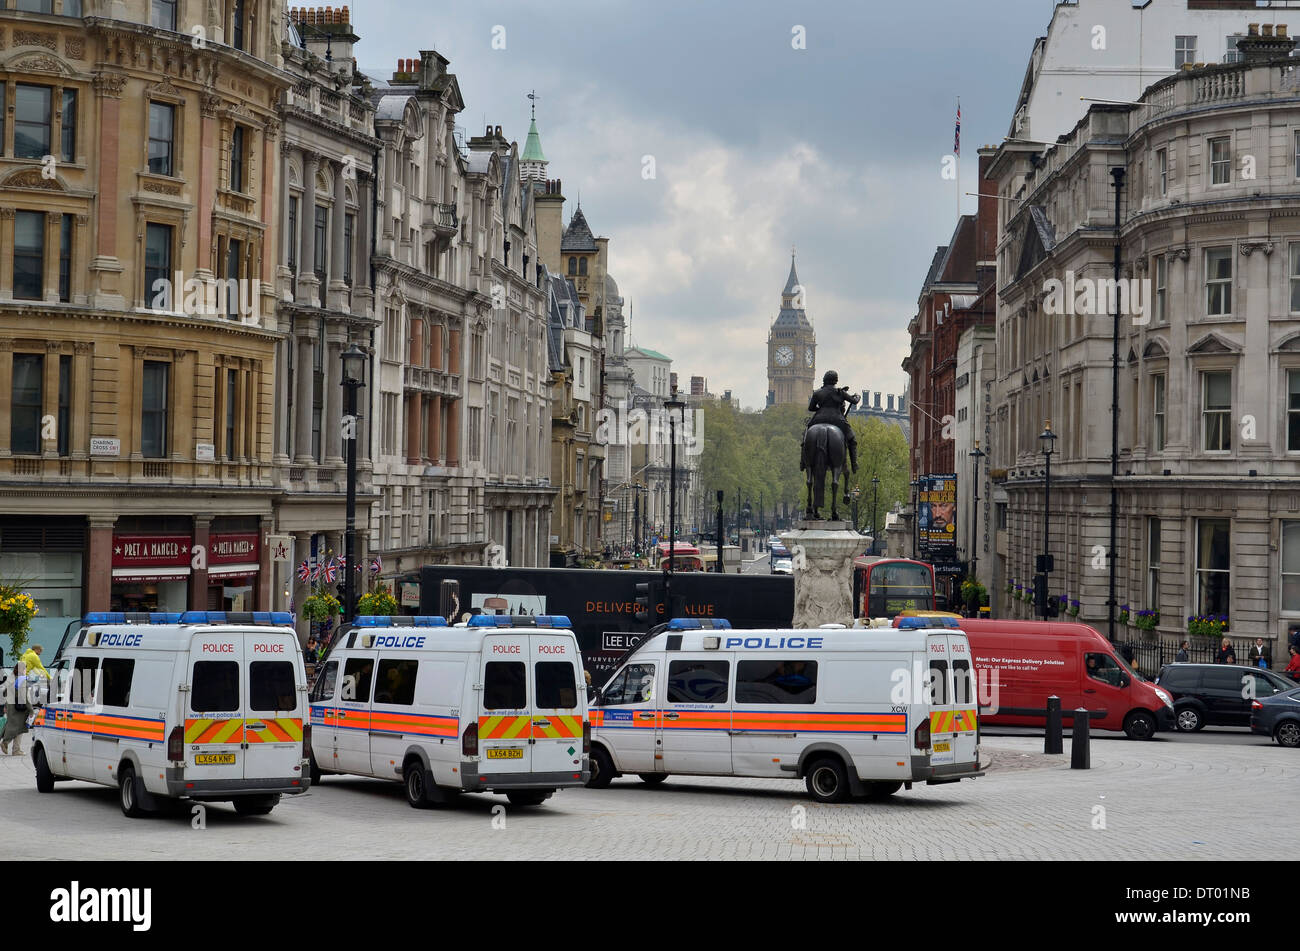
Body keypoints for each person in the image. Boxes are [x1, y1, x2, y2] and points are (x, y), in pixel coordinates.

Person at [803, 370, 860, 473]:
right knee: (852, 440)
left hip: (818, 419)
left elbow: (811, 408)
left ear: (824, 380)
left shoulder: (817, 393)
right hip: (837, 420)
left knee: (805, 436)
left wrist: (821, 409)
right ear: (835, 381)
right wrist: (857, 397)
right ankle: (854, 464)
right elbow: (854, 401)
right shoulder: (840, 392)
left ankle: (803, 461)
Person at [1, 662, 29, 756]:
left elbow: (5, 692)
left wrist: (5, 705)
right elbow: (23, 696)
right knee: (20, 727)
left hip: (10, 705)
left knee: (11, 725)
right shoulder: (21, 679)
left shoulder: (11, 677)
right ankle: (15, 749)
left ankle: (10, 746)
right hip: (18, 707)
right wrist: (31, 709)